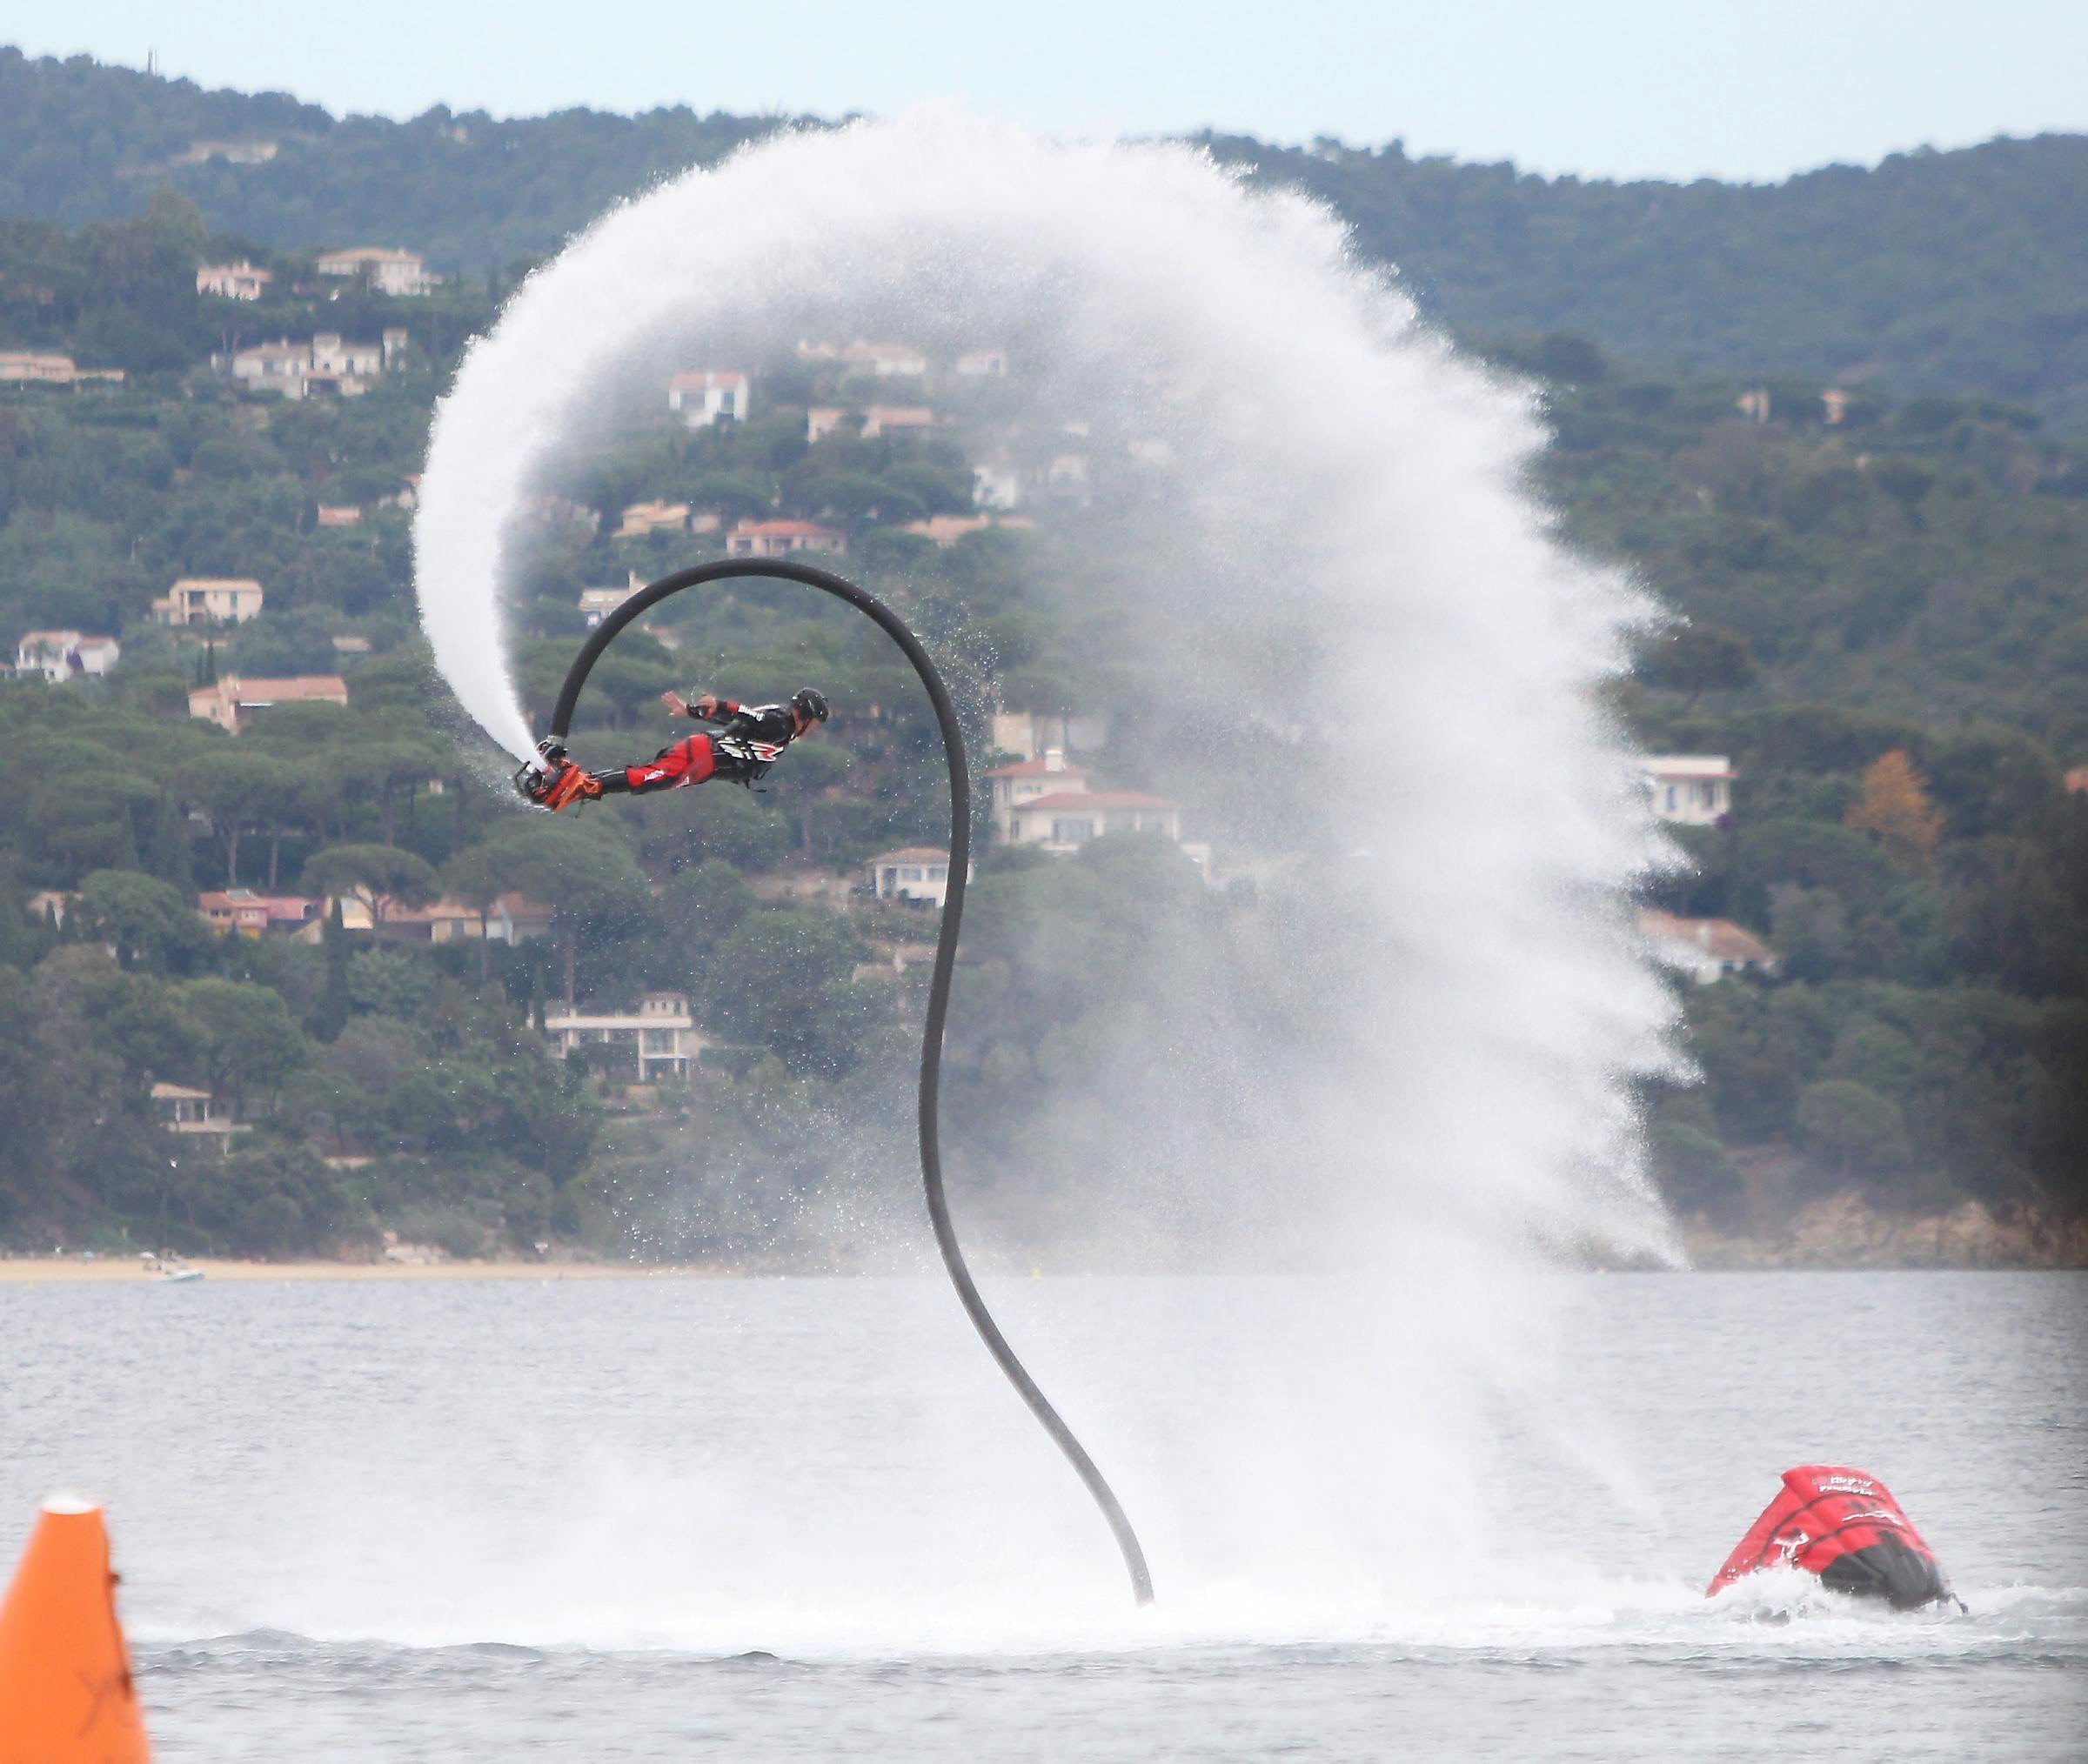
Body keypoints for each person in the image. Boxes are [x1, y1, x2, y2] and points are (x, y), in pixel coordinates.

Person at [520, 687, 830, 812]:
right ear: (805, 715)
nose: (814, 730)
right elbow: (745, 714)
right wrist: (716, 705)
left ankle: (574, 785)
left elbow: (739, 724)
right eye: (815, 723)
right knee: (648, 778)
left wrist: (694, 711)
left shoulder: (782, 731)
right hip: (701, 757)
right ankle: (581, 782)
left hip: (702, 766)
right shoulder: (780, 723)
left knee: (650, 780)